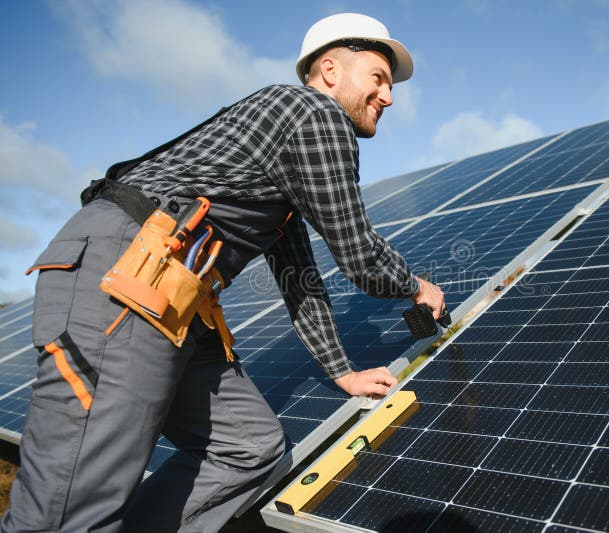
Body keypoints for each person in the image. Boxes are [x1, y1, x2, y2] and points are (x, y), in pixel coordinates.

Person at [1, 12, 445, 532]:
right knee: (70, 505)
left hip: (172, 292)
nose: (388, 97)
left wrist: (341, 371)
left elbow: (297, 275)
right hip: (126, 277)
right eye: (378, 78)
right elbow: (360, 255)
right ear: (329, 70)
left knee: (248, 446)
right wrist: (417, 285)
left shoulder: (279, 145)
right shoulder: (315, 114)